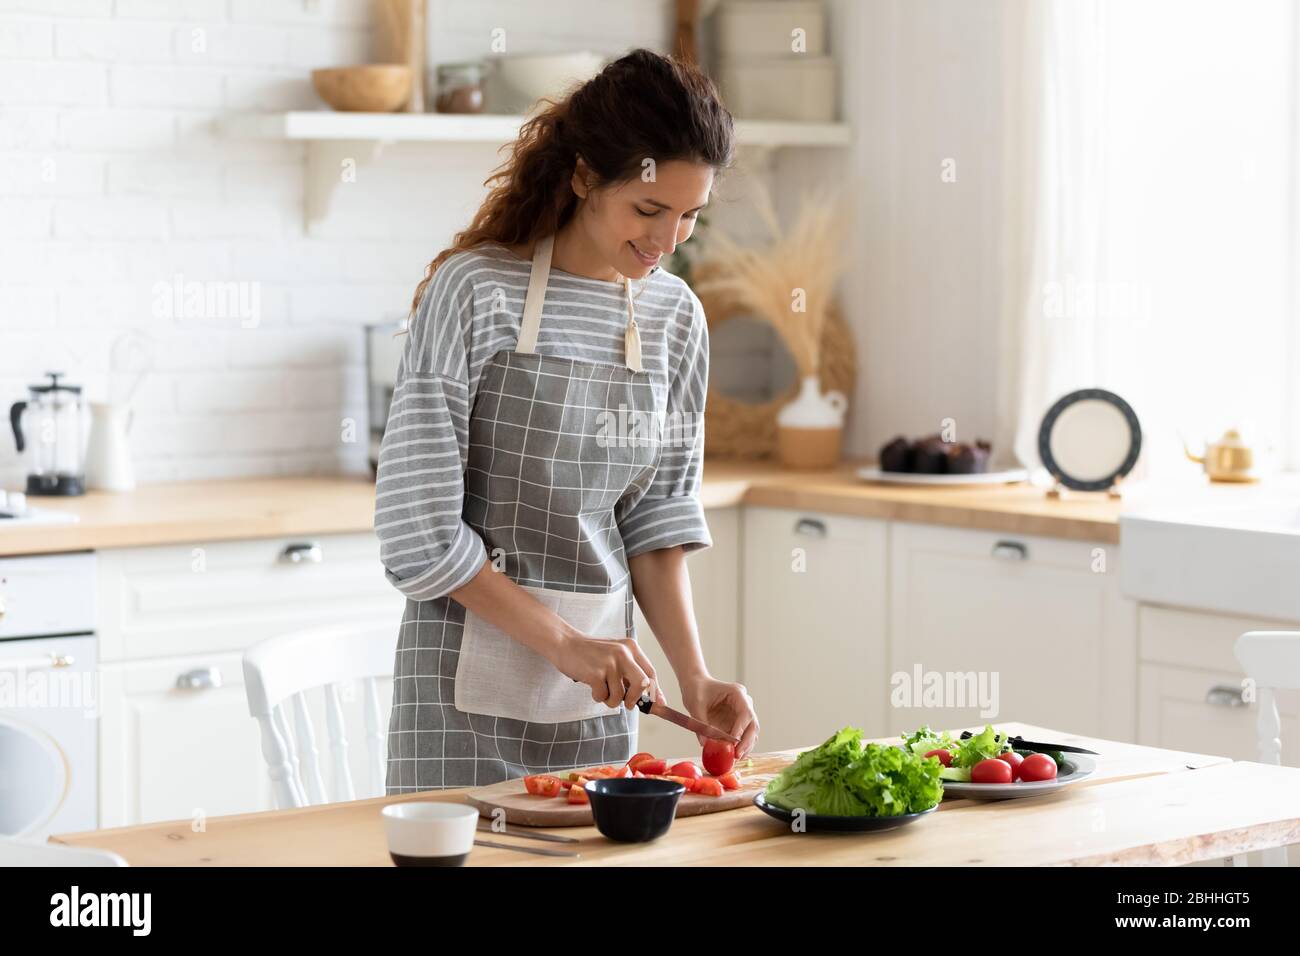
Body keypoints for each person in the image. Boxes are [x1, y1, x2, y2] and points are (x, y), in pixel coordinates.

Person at [377, 49, 759, 793]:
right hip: (459, 701)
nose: (668, 240)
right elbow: (418, 534)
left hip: (597, 703)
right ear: (585, 175)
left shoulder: (675, 316)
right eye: (649, 210)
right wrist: (567, 645)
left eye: (689, 216)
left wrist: (694, 675)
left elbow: (653, 521)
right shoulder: (477, 291)